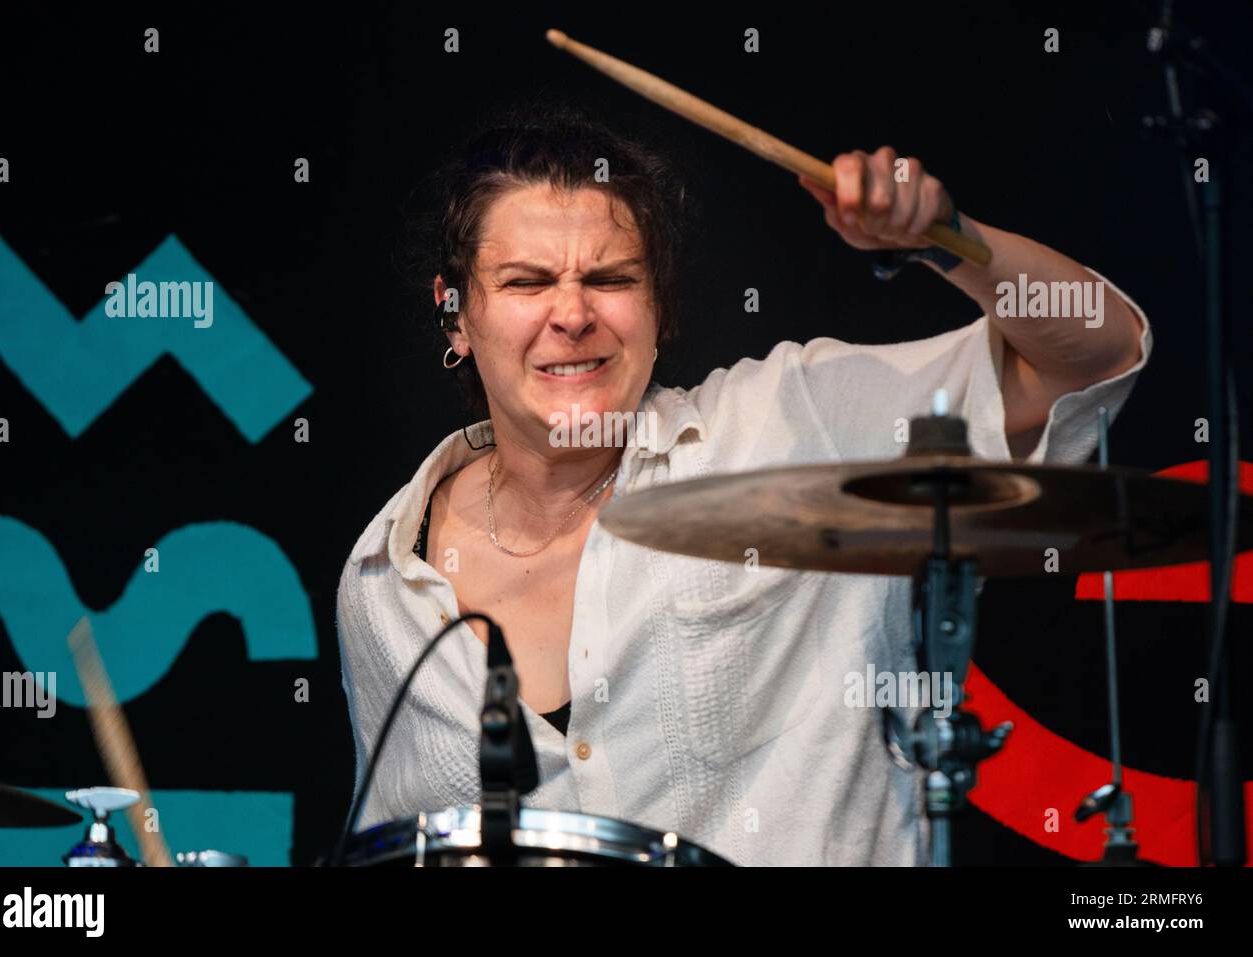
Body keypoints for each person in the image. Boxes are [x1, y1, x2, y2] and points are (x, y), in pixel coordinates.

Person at [334, 107, 1151, 865]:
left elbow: (1095, 353)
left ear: (659, 306)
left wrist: (948, 239)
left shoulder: (796, 423)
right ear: (456, 315)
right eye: (526, 282)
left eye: (613, 279)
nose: (573, 313)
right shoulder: (383, 584)